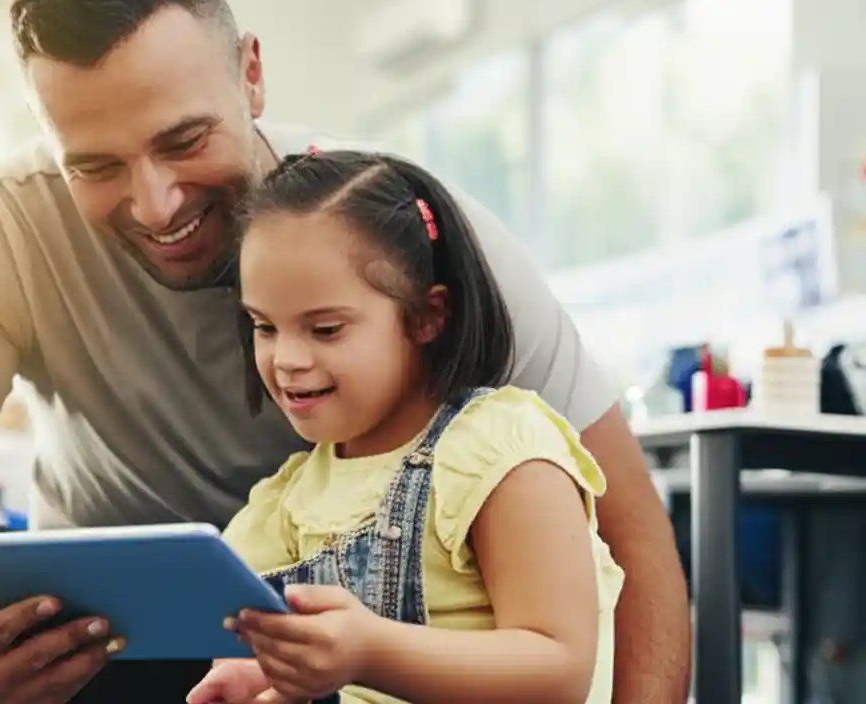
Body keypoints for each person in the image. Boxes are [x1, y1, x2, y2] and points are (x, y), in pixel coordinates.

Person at [0, 0, 689, 703]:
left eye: (185, 141)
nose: (156, 205)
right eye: (97, 165)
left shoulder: (409, 236)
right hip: (104, 655)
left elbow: (633, 543)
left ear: (253, 75)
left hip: (364, 665)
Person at [185, 149, 624, 704]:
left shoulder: (499, 450)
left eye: (324, 329)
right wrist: (259, 677)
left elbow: (559, 670)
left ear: (426, 317)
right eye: (264, 327)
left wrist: (370, 652)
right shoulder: (290, 500)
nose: (286, 359)